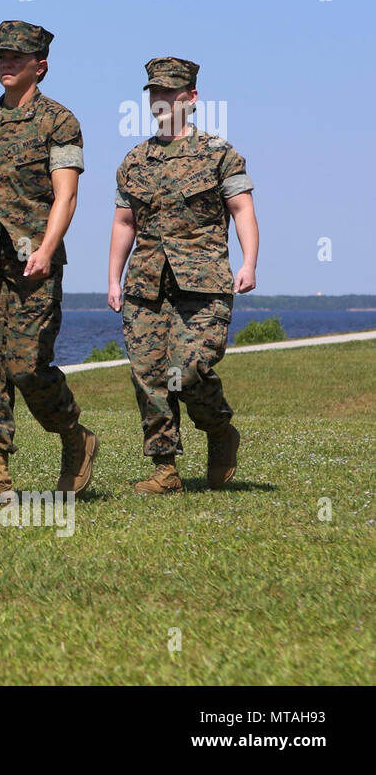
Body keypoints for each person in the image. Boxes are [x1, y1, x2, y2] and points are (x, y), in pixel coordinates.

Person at [0, 20, 99, 506]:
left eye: (16, 57)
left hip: (33, 263)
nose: (6, 64)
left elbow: (67, 196)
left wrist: (45, 249)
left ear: (40, 65)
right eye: (0, 56)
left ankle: (75, 438)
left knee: (25, 365)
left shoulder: (60, 121)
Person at [108, 57, 258, 494]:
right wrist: (113, 278)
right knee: (149, 375)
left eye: (170, 93)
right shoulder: (135, 160)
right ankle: (164, 469)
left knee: (188, 369)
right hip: (146, 283)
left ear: (191, 98)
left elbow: (242, 209)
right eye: (155, 93)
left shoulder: (219, 153)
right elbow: (124, 223)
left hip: (204, 283)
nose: (161, 101)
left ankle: (219, 430)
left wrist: (249, 262)